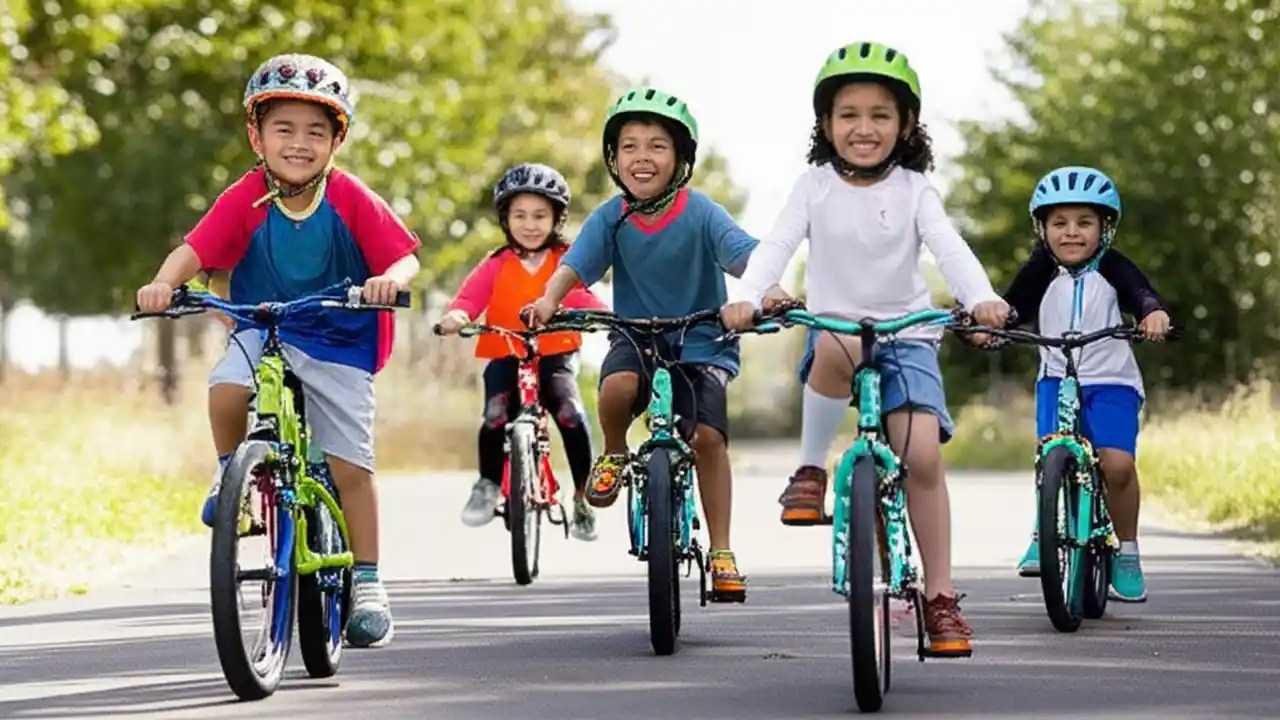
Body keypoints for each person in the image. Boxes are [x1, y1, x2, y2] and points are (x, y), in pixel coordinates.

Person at [721, 42, 1012, 655]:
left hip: (908, 337)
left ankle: (939, 597)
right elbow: (775, 246)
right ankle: (808, 469)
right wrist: (747, 295)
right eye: (848, 113)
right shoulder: (813, 187)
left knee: (923, 460)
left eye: (881, 114)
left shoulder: (915, 191)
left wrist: (982, 297)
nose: (864, 127)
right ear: (825, 125)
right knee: (831, 339)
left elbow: (950, 249)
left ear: (906, 125)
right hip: (837, 330)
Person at [135, 53, 421, 648]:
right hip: (262, 327)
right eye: (283, 129)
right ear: (256, 136)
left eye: (316, 131)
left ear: (336, 140)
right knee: (226, 389)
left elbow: (403, 254)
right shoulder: (245, 195)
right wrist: (164, 282)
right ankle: (228, 479)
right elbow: (197, 248)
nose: (299, 143)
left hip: (338, 337)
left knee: (349, 465)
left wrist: (390, 278)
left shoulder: (349, 195)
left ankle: (368, 579)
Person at [525, 86, 757, 602]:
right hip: (638, 335)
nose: (641, 157)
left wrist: (769, 292)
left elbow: (744, 254)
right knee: (616, 387)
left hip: (702, 341)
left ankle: (721, 550)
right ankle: (612, 452)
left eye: (656, 146)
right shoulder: (613, 216)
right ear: (613, 158)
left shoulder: (702, 213)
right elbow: (575, 265)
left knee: (708, 441)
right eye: (629, 146)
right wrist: (546, 302)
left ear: (680, 159)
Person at [1000, 165, 1172, 603]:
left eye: (1084, 223)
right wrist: (989, 325)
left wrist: (1152, 315)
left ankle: (1127, 550)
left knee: (1116, 466)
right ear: (1043, 228)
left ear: (1105, 228)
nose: (1071, 233)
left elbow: (1142, 294)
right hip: (1056, 378)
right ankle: (1045, 534)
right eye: (1059, 223)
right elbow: (1012, 307)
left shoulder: (1113, 267)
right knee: (1051, 454)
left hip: (1110, 382)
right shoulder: (1041, 269)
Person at [437, 162, 607, 541]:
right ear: (505, 218)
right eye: (520, 215)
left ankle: (583, 496)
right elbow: (469, 299)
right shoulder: (496, 262)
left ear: (556, 219)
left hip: (555, 354)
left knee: (570, 413)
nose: (530, 224)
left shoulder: (565, 261)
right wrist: (456, 317)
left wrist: (601, 315)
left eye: (540, 216)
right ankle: (486, 484)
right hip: (505, 350)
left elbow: (583, 296)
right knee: (496, 414)